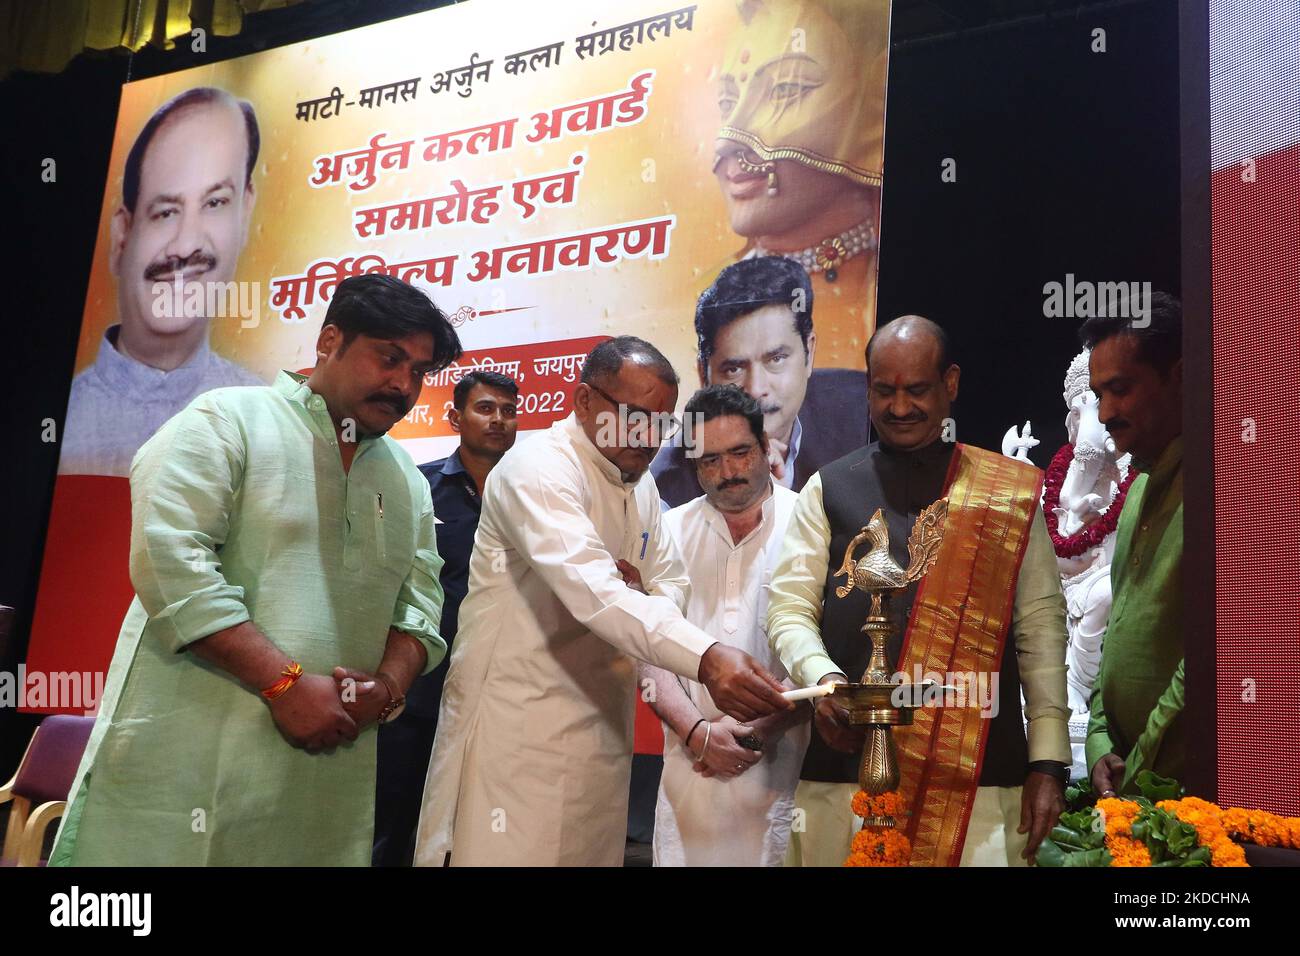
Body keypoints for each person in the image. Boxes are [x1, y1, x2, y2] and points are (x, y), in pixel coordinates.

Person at [50, 274, 462, 866]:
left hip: (326, 778)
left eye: (420, 372)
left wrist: (390, 687)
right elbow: (172, 562)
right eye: (390, 357)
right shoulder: (225, 420)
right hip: (189, 761)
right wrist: (283, 683)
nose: (403, 384)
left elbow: (421, 604)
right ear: (329, 342)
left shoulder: (404, 479)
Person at [414, 336, 792, 867]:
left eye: (661, 422)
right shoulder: (538, 469)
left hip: (601, 737)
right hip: (520, 736)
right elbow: (594, 593)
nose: (649, 436)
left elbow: (670, 584)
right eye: (634, 416)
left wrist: (640, 594)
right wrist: (707, 659)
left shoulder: (640, 488)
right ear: (585, 400)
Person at [767, 315, 1072, 867]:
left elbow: (1041, 632)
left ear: (950, 383)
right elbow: (789, 608)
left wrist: (1048, 762)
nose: (900, 407)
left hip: (978, 779)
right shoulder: (829, 486)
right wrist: (824, 680)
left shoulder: (1006, 495)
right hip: (846, 774)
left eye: (917, 389)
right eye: (884, 391)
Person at [641, 385, 810, 866]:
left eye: (740, 453)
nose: (728, 472)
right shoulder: (669, 533)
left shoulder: (810, 523)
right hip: (690, 772)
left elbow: (823, 654)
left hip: (785, 773)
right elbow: (648, 650)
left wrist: (755, 733)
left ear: (766, 448)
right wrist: (697, 732)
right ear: (693, 464)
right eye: (710, 460)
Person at [60, 86, 263, 477]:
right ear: (123, 234)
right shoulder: (59, 429)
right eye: (165, 212)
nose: (186, 245)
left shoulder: (268, 422)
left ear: (245, 211)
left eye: (216, 203)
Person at [373, 369, 519, 866]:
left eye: (508, 410)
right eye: (485, 408)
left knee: (483, 821)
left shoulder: (535, 497)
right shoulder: (416, 486)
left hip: (503, 687)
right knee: (396, 817)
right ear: (455, 416)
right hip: (422, 683)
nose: (498, 420)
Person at [709, 0, 890, 369]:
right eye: (729, 102)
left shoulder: (885, 296)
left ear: (871, 103)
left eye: (785, 91)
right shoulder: (700, 302)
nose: (728, 141)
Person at [652, 257, 867, 506]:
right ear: (704, 375)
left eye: (775, 359)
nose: (756, 389)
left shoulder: (862, 408)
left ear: (809, 353)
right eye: (733, 369)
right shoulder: (670, 487)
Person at [1083, 294, 1185, 797]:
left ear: (1182, 375)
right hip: (1130, 784)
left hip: (1199, 791)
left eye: (1120, 390)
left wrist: (1139, 764)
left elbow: (1214, 659)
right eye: (1098, 393)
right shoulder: (1137, 488)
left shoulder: (1233, 486)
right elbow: (1115, 627)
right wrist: (1099, 739)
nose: (1104, 413)